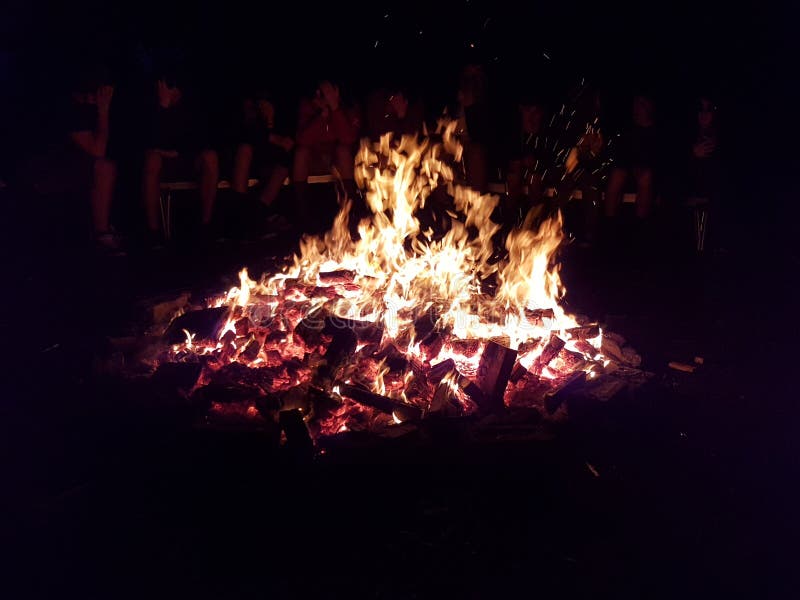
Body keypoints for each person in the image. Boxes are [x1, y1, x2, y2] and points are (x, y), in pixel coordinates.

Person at [141, 75, 219, 244]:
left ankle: (206, 225)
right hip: (161, 161)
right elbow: (150, 140)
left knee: (210, 157)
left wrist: (179, 152)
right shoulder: (151, 106)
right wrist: (163, 107)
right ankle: (153, 231)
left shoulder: (192, 106)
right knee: (152, 159)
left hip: (187, 158)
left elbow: (200, 139)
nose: (172, 92)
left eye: (175, 88)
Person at [292, 79, 361, 231]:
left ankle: (351, 210)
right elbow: (302, 139)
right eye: (319, 91)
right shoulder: (308, 105)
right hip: (314, 155)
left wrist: (335, 108)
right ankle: (302, 215)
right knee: (300, 153)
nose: (320, 95)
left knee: (343, 151)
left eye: (326, 92)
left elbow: (348, 138)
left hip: (339, 157)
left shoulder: (348, 106)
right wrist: (322, 115)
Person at [229, 90, 294, 233]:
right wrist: (272, 137)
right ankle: (239, 212)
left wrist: (270, 123)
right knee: (244, 150)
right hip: (250, 157)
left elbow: (288, 142)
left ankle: (258, 214)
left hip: (273, 158)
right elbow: (246, 135)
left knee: (284, 161)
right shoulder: (249, 110)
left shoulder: (284, 111)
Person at [603, 92, 662, 249]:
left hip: (650, 175)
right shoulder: (628, 130)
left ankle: (639, 232)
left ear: (649, 107)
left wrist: (641, 167)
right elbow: (621, 155)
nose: (637, 108)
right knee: (617, 174)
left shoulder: (657, 132)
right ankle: (609, 228)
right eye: (635, 103)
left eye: (641, 104)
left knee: (646, 176)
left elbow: (658, 158)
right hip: (628, 172)